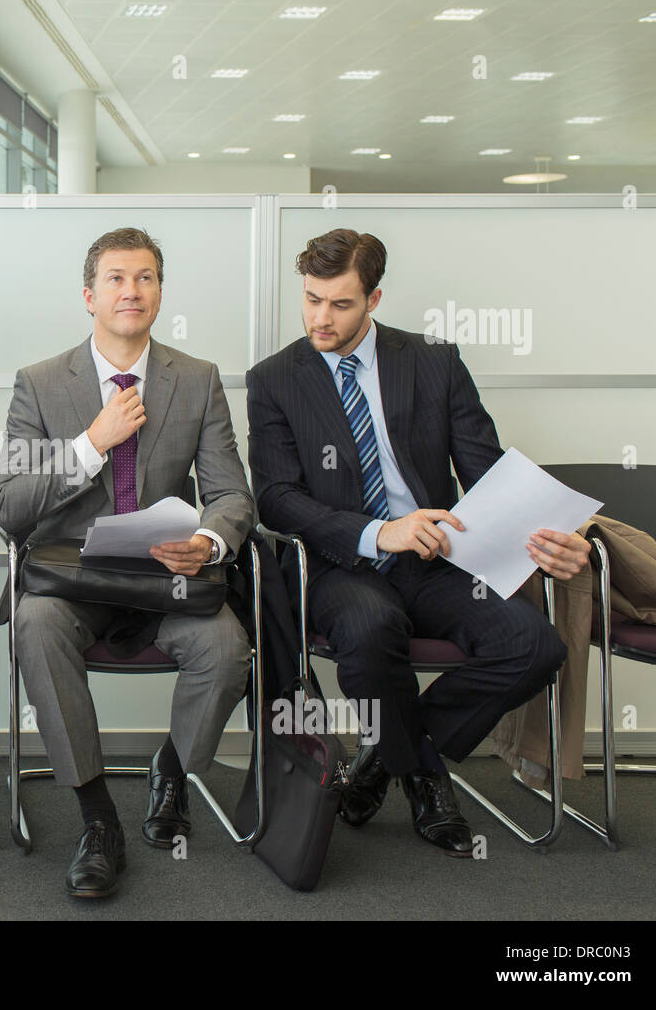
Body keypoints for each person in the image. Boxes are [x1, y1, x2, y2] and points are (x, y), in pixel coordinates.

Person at [246, 228, 590, 856]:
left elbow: (488, 473)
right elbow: (276, 498)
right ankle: (429, 779)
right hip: (341, 563)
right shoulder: (274, 379)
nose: (320, 318)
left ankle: (387, 760)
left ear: (374, 299)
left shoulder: (433, 360)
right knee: (372, 633)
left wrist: (562, 536)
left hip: (438, 559)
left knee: (534, 647)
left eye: (340, 304)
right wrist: (379, 531)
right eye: (311, 299)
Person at [0, 227, 254, 899]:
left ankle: (171, 766)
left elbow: (231, 495)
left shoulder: (195, 381)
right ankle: (97, 816)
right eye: (115, 278)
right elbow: (10, 507)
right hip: (72, 580)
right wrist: (88, 445)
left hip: (167, 579)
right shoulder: (41, 383)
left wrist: (211, 541)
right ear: (89, 295)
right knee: (36, 625)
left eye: (144, 277)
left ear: (159, 292)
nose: (131, 290)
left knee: (227, 647)